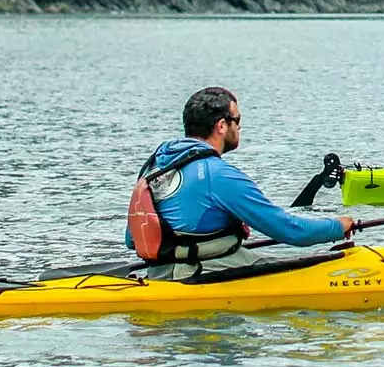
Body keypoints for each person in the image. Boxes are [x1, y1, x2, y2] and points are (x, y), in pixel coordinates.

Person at [126, 87, 355, 280]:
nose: (239, 128)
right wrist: (338, 226)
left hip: (159, 273)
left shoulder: (155, 165)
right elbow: (291, 231)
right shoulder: (218, 175)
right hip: (199, 274)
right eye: (237, 120)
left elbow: (131, 239)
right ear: (221, 126)